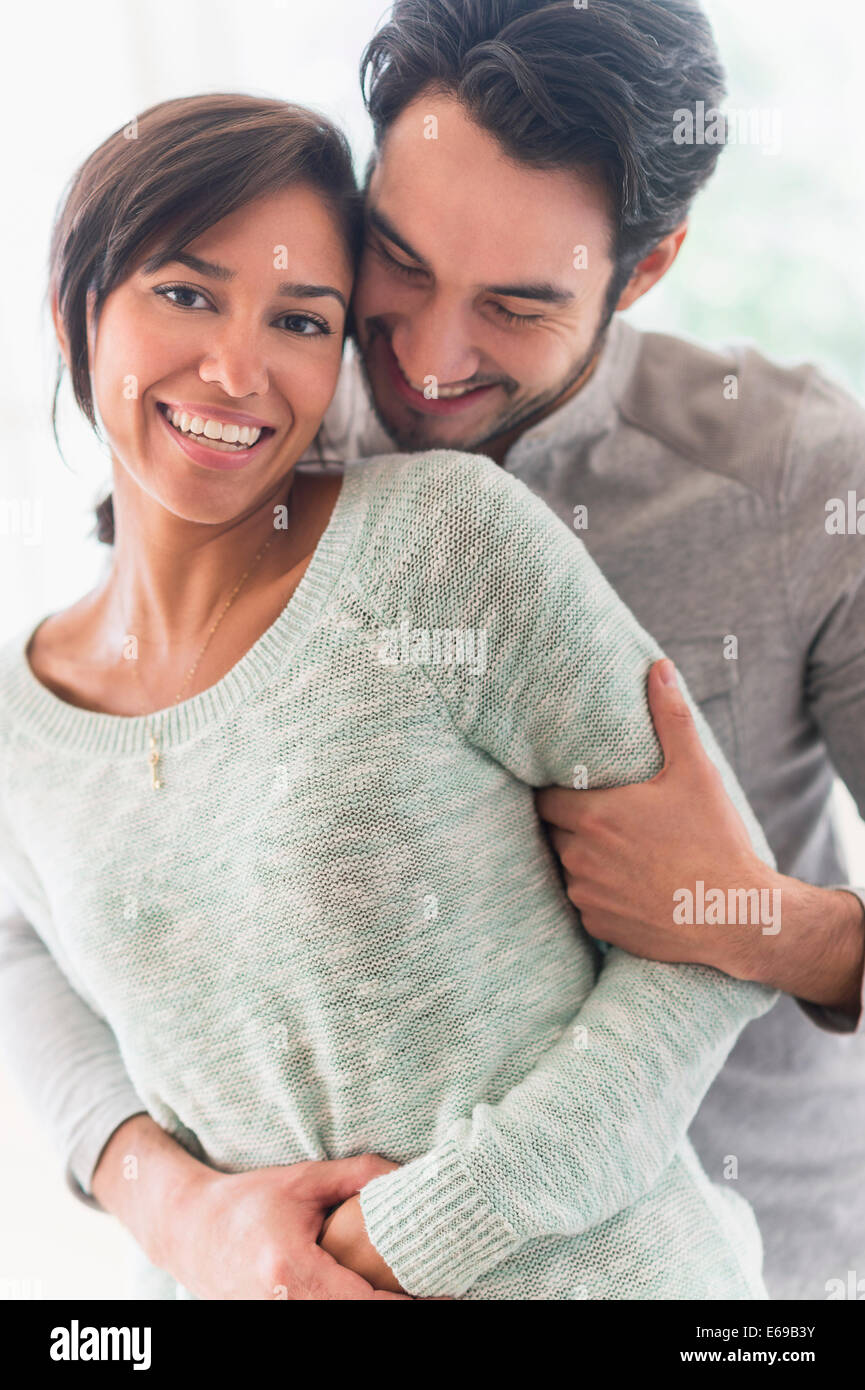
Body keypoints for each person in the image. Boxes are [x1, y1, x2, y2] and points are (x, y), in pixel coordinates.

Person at [2, 0, 864, 1299]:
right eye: (395, 266)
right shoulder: (257, 416)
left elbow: (712, 953)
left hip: (734, 1244)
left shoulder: (796, 474)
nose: (421, 357)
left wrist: (772, 925)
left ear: (643, 268)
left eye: (515, 304)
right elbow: (54, 870)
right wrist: (168, 1201)